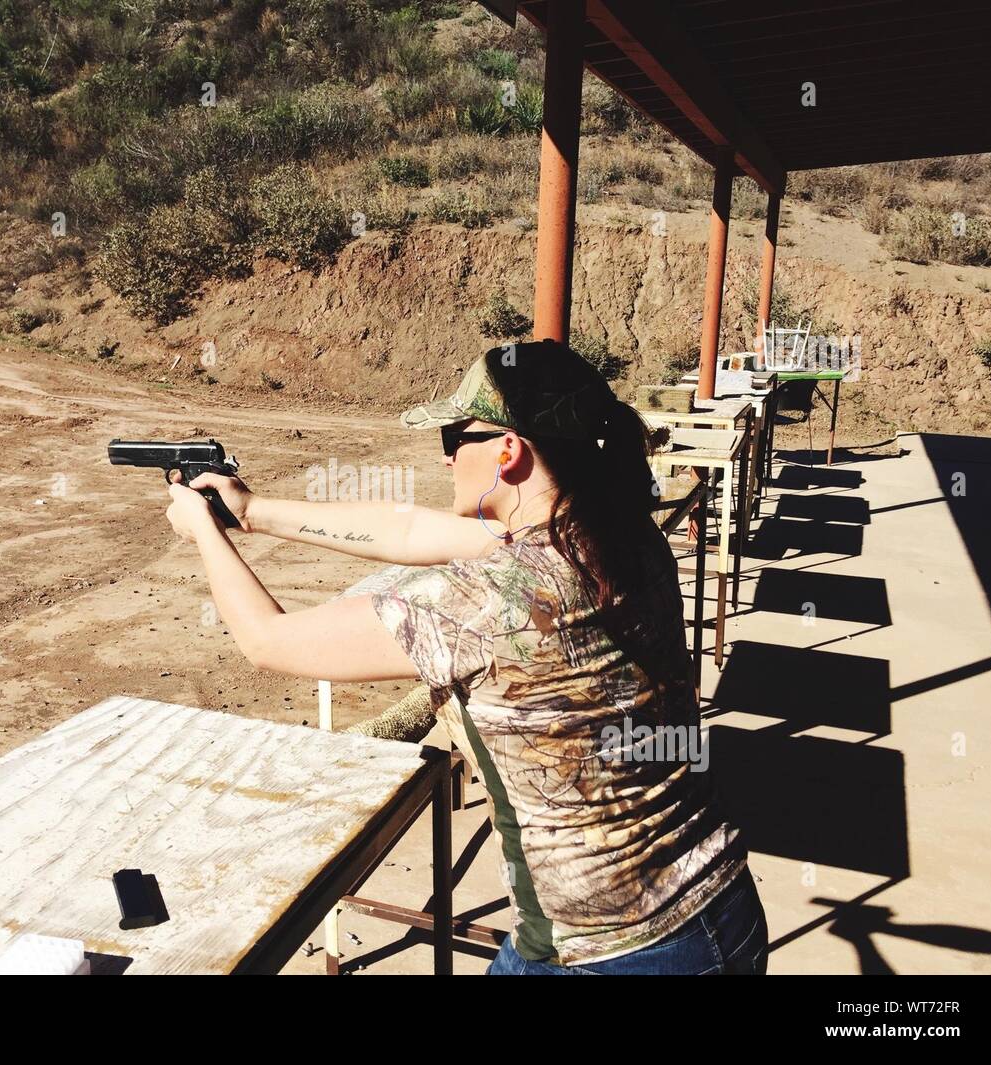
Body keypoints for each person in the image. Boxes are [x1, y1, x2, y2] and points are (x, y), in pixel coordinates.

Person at [163, 339, 767, 974]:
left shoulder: (490, 598)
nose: (449, 457)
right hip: (715, 904)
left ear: (508, 451)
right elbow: (408, 531)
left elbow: (268, 642)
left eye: (455, 438)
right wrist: (251, 511)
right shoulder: (615, 533)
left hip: (609, 951)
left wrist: (202, 529)